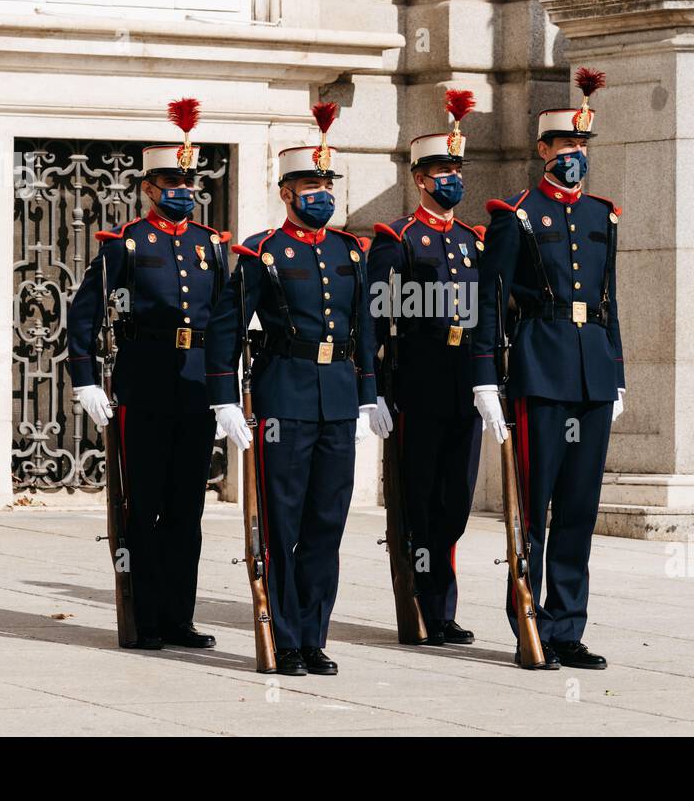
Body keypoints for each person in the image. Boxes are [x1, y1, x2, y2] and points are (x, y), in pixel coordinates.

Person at [209, 103, 390, 677]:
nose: (322, 195)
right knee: (281, 522)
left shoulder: (349, 252)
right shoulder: (263, 251)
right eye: (310, 185)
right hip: (284, 396)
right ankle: (282, 634)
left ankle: (314, 634)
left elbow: (364, 327)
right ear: (287, 191)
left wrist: (369, 392)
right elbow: (229, 326)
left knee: (325, 524)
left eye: (326, 185)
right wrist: (225, 399)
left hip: (337, 398)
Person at [471, 69, 625, 670]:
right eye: (565, 148)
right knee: (532, 509)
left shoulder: (601, 216)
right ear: (542, 151)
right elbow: (491, 298)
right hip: (539, 367)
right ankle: (528, 624)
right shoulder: (515, 215)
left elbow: (611, 299)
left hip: (590, 370)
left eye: (582, 148)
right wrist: (486, 375)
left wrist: (617, 372)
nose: (574, 157)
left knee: (580, 509)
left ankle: (568, 626)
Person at [67, 97, 229, 650]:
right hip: (146, 382)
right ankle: (145, 618)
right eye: (171, 181)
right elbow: (83, 311)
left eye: (189, 180)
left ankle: (179, 618)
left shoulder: (211, 246)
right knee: (146, 507)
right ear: (149, 187)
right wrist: (85, 377)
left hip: (197, 388)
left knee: (188, 508)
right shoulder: (128, 244)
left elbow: (227, 315)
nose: (183, 190)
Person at [367, 89, 485, 646]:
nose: (451, 179)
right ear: (420, 179)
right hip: (418, 382)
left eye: (456, 169)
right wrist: (375, 389)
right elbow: (376, 317)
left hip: (466, 383)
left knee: (457, 501)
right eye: (441, 171)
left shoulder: (472, 241)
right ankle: (423, 606)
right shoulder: (399, 240)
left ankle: (441, 601)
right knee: (420, 498)